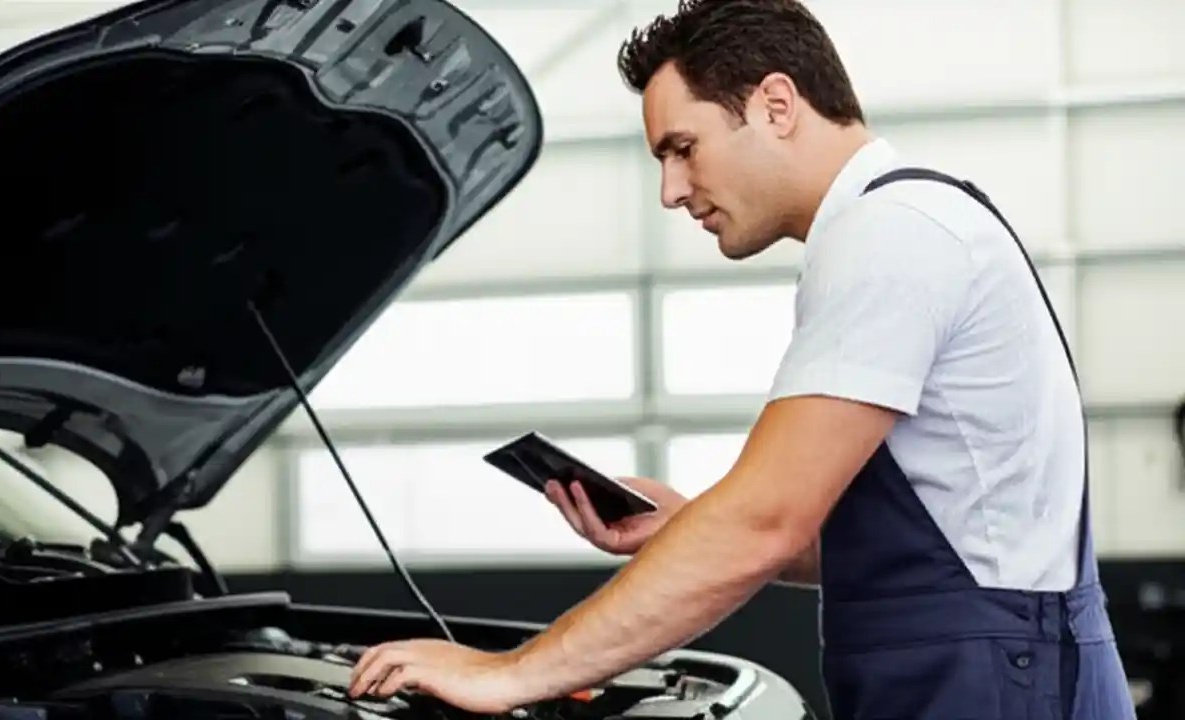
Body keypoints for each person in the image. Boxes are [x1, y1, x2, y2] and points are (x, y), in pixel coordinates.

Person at [348, 1, 1137, 717]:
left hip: (1000, 687)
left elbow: (764, 520)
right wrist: (681, 526)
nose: (670, 190)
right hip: (992, 674)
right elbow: (908, 548)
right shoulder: (899, 226)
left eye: (683, 149)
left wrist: (509, 673)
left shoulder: (892, 236)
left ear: (777, 104)